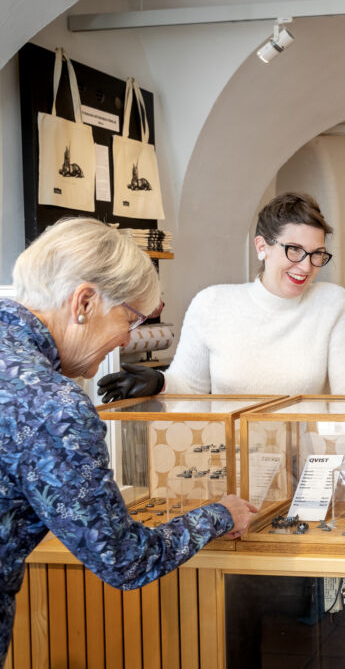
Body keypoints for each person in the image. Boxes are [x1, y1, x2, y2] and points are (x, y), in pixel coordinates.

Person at [0, 218, 257, 664]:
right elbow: (124, 559)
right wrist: (220, 514)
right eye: (130, 318)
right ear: (84, 301)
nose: (127, 337)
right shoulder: (53, 406)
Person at [98, 192, 345, 398]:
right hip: (229, 460)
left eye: (317, 254)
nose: (306, 266)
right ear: (262, 246)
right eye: (294, 250)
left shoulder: (332, 302)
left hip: (308, 466)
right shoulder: (212, 303)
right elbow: (190, 387)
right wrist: (160, 383)